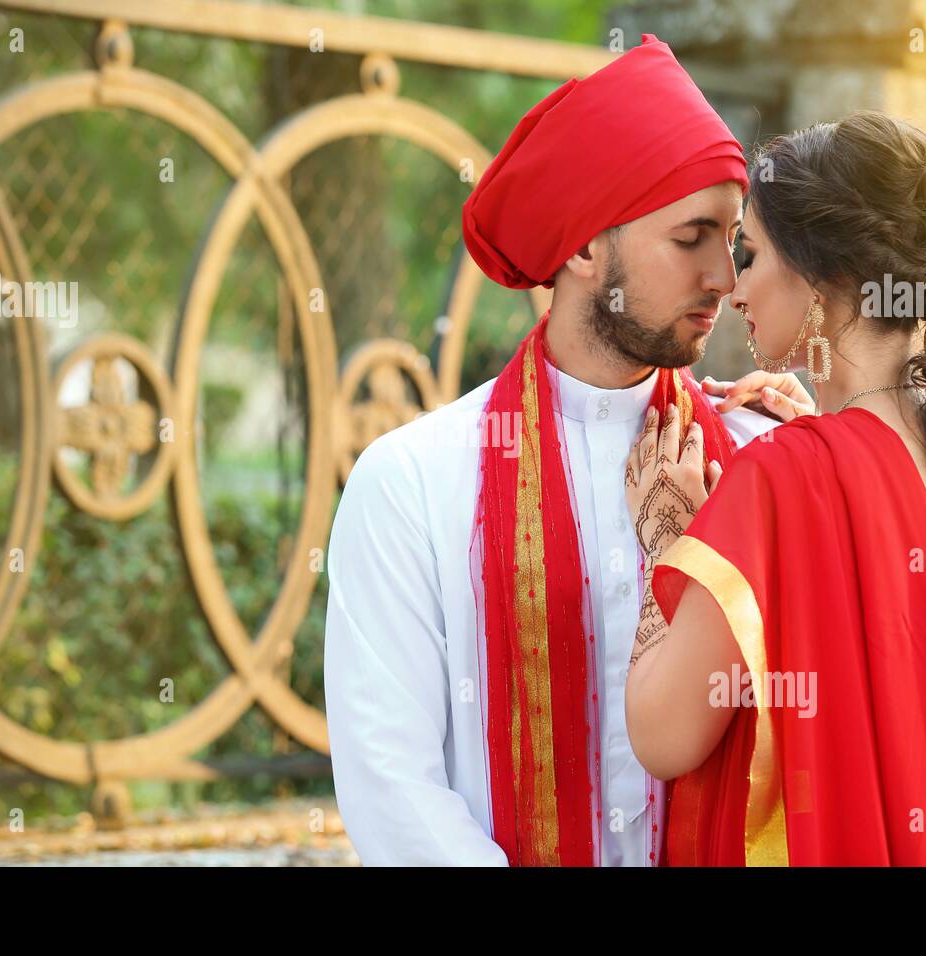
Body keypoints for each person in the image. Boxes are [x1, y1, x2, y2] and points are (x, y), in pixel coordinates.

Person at [323, 34, 779, 866]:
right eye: (691, 238)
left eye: (734, 237)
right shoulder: (412, 482)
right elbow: (391, 782)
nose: (726, 275)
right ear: (581, 248)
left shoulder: (758, 456)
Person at [624, 111, 926, 865]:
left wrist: (664, 536)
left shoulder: (785, 476)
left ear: (823, 278)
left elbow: (663, 734)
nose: (732, 286)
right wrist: (816, 440)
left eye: (749, 254)